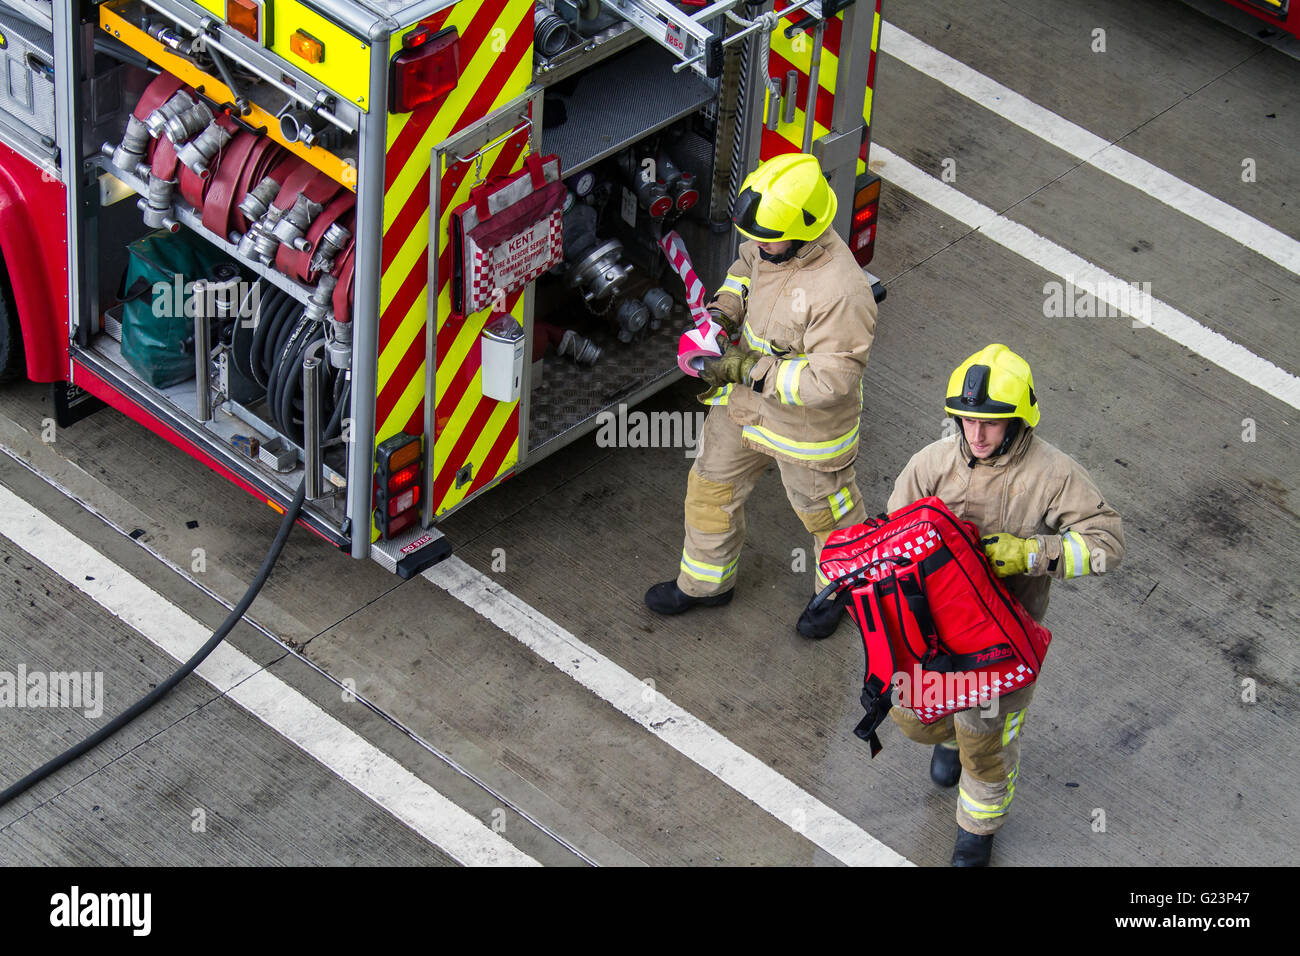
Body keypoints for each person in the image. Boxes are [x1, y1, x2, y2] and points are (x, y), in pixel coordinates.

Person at [886, 344, 1124, 866]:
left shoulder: (1054, 474)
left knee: (986, 745)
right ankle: (948, 737)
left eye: (991, 424)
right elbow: (894, 529)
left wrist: (1034, 553)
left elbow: (1107, 545)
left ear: (1019, 421)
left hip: (1003, 640)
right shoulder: (932, 463)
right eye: (967, 421)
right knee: (911, 717)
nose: (976, 435)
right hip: (933, 630)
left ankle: (978, 829)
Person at [643, 152, 877, 638]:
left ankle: (839, 594)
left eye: (768, 239)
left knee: (828, 519)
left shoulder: (842, 292)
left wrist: (748, 369)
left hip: (806, 433)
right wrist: (724, 314)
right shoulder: (773, 241)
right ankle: (706, 584)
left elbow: (830, 383)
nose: (756, 245)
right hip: (744, 407)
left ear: (806, 229)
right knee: (711, 489)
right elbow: (744, 272)